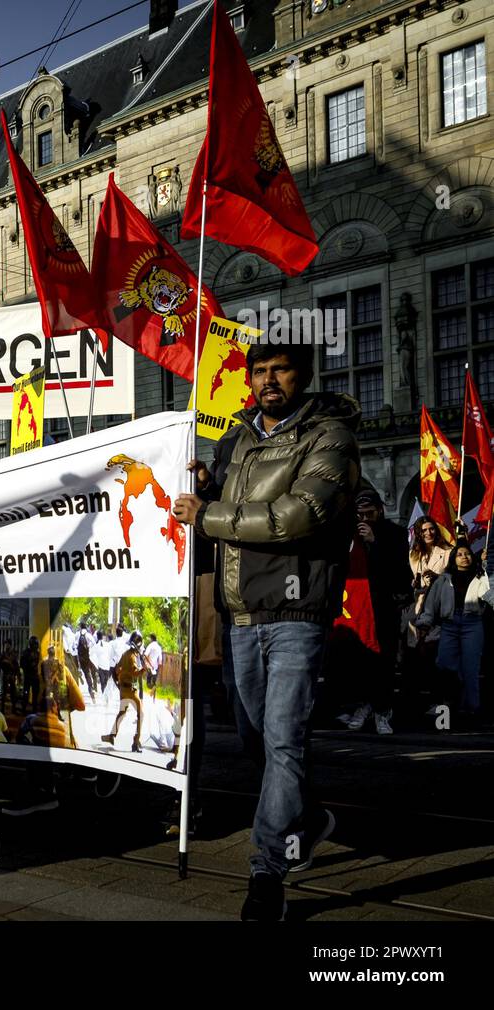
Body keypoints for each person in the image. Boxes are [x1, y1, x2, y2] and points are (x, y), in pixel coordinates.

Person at [172, 343, 360, 922]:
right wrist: (207, 489)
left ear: (302, 376)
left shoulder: (329, 436)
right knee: (257, 740)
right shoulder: (235, 441)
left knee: (281, 738)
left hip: (296, 612)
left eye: (280, 370)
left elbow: (300, 515)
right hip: (239, 616)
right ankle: (308, 818)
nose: (268, 380)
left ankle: (266, 875)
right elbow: (217, 525)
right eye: (259, 371)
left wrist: (207, 514)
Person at [336, 487, 412, 734]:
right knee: (360, 660)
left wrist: (374, 544)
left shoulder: (395, 534)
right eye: (360, 515)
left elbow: (400, 572)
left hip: (383, 606)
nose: (364, 519)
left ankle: (382, 710)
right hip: (356, 609)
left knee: (384, 659)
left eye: (369, 513)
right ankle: (365, 705)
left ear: (380, 510)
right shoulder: (349, 535)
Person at [413, 542, 492, 729]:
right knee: (445, 664)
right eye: (460, 554)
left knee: (470, 668)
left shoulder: (480, 576)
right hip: (449, 625)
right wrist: (425, 622)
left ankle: (471, 710)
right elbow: (431, 604)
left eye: (467, 554)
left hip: (472, 623)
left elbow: (489, 594)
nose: (464, 557)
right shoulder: (443, 579)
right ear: (454, 558)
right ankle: (446, 710)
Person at [405, 516, 451, 715]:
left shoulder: (447, 552)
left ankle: (440, 702)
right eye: (423, 530)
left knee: (434, 655)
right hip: (417, 607)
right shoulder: (414, 554)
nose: (428, 533)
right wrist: (415, 584)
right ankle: (416, 703)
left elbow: (452, 578)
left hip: (438, 606)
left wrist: (437, 578)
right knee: (415, 655)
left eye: (431, 529)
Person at [101, 632, 146, 753]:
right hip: (131, 690)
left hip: (123, 690)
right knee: (141, 714)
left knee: (122, 712)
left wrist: (119, 682)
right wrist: (144, 670)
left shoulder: (126, 654)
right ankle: (135, 742)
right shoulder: (132, 657)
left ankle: (111, 735)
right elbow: (135, 673)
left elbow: (116, 669)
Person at [0, 642, 20, 713]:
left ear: (10, 645)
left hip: (12, 675)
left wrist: (18, 675)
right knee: (4, 693)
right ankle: (2, 709)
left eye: (8, 645)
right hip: (6, 674)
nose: (7, 646)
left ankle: (14, 708)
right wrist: (4, 662)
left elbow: (16, 665)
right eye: (5, 645)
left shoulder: (13, 655)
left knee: (13, 693)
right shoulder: (2, 654)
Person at [20, 636, 42, 711]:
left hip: (34, 676)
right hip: (28, 676)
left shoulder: (37, 653)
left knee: (35, 694)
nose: (36, 646)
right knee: (26, 693)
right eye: (35, 644)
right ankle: (24, 709)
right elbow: (22, 664)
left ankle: (34, 709)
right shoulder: (26, 652)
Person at [144, 634, 164, 700]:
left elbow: (145, 655)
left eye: (150, 638)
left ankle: (152, 688)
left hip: (150, 667)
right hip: (156, 667)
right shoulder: (159, 647)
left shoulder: (150, 645)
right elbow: (160, 660)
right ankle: (154, 697)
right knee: (154, 682)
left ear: (151, 639)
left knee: (148, 683)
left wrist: (148, 663)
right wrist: (159, 670)